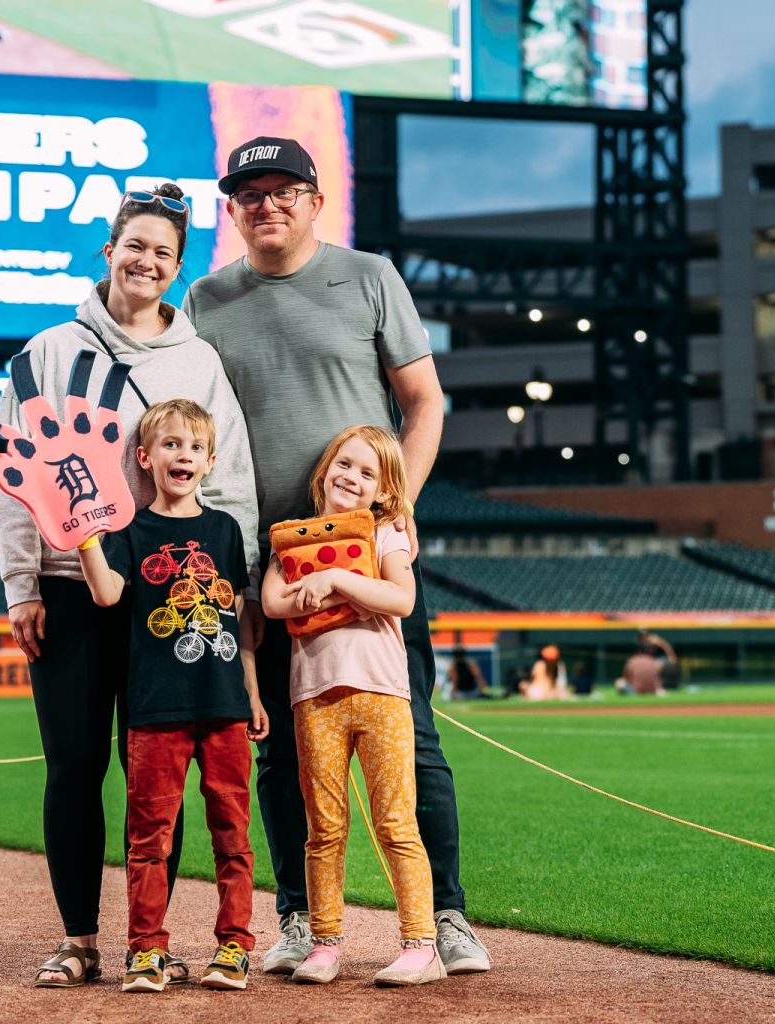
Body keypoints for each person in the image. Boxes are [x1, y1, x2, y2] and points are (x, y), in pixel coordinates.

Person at [183, 135, 490, 976]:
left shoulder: (368, 275)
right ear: (233, 209)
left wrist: (402, 508)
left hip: (367, 550)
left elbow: (424, 401)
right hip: (268, 559)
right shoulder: (205, 299)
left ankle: (448, 917)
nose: (268, 204)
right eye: (251, 194)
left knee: (412, 735)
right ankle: (296, 918)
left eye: (286, 190)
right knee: (281, 743)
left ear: (317, 201)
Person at [0, 183, 259, 988]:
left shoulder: (199, 360)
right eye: (135, 246)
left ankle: (152, 938)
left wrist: (233, 601)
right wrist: (21, 586)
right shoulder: (44, 352)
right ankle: (79, 938)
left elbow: (234, 479)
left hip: (166, 593)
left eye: (164, 253)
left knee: (163, 770)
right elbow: (17, 476)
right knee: (73, 766)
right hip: (71, 586)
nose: (148, 262)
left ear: (178, 270)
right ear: (108, 252)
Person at [78, 398, 268, 993]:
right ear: (145, 458)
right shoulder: (130, 532)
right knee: (148, 838)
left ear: (210, 461)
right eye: (169, 445)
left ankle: (234, 946)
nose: (181, 455)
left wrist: (253, 695)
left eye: (193, 447)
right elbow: (107, 595)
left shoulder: (225, 531)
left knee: (232, 834)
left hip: (224, 708)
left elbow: (236, 620)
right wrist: (82, 537)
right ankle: (145, 951)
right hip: (155, 709)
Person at [261, 426, 445, 986]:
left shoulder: (387, 532)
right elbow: (272, 602)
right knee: (324, 828)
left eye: (368, 474)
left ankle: (421, 944)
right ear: (324, 471)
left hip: (381, 693)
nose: (352, 478)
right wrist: (316, 581)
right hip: (314, 699)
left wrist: (336, 577)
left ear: (384, 492)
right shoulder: (291, 539)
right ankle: (324, 943)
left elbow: (402, 597)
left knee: (396, 821)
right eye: (345, 465)